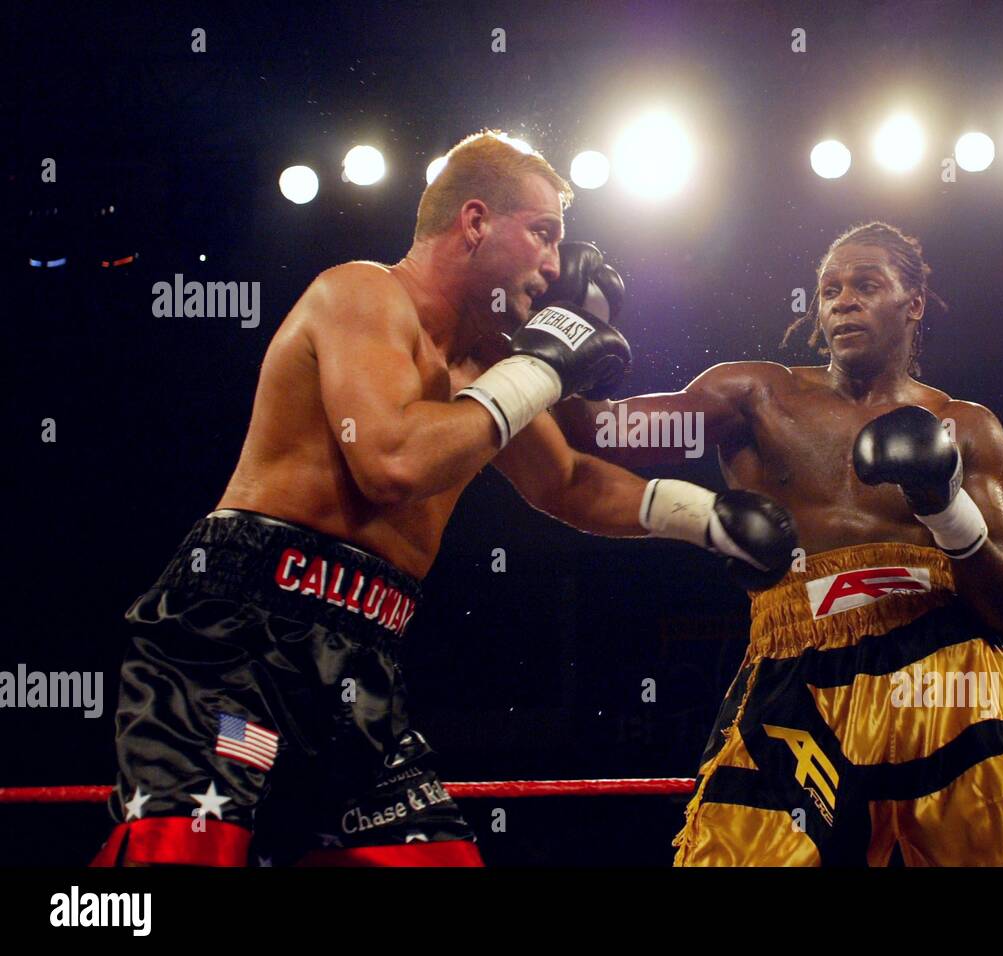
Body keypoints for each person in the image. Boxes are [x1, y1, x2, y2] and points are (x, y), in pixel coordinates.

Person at [90, 130, 796, 867]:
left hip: (361, 662)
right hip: (236, 637)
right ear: (475, 221)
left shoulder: (494, 363)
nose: (555, 264)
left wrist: (707, 519)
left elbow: (569, 483)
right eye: (543, 234)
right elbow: (390, 461)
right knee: (173, 863)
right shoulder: (362, 294)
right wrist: (543, 371)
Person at [553, 220, 1003, 867]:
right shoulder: (756, 395)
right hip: (799, 674)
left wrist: (945, 508)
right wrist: (557, 343)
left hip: (950, 677)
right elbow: (599, 435)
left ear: (912, 303)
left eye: (866, 285)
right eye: (830, 289)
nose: (843, 301)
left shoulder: (967, 426)